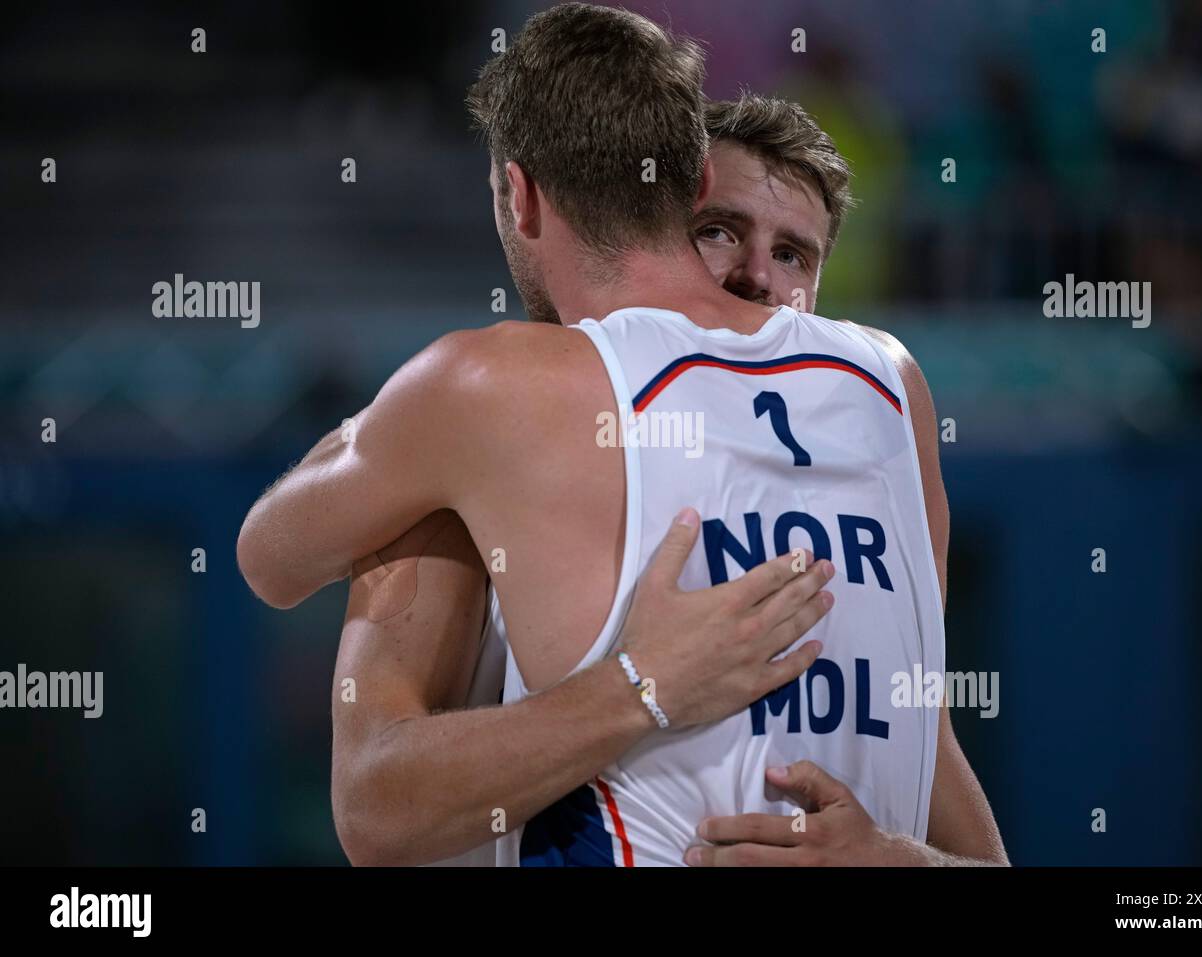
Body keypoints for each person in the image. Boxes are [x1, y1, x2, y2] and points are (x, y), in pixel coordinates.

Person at [239, 3, 1006, 867]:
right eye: (728, 232)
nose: (758, 274)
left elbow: (267, 555)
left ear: (519, 195)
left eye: (794, 254)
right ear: (690, 191)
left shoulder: (483, 392)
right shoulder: (894, 384)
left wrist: (644, 687)